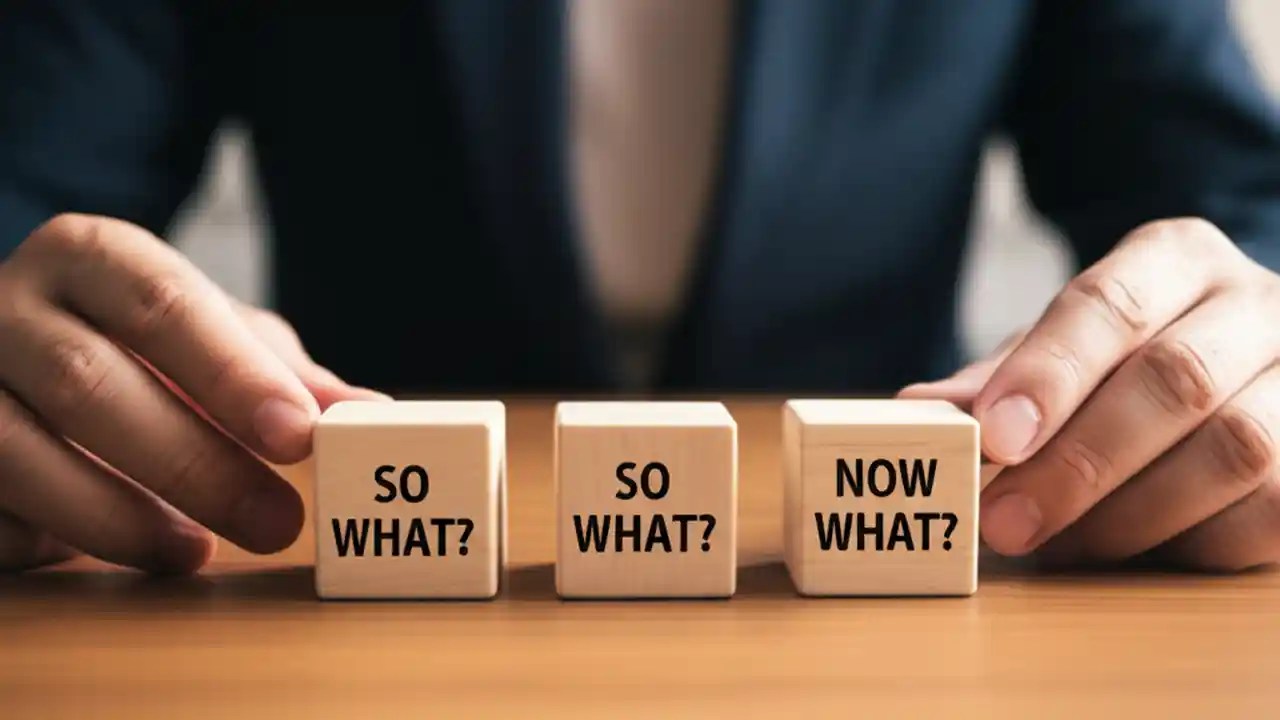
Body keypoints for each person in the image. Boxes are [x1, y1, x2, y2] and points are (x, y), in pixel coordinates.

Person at [1, 1, 1279, 576]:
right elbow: (30, 191)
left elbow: (1233, 206)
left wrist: (1243, 354)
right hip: (357, 566)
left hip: (887, 588)